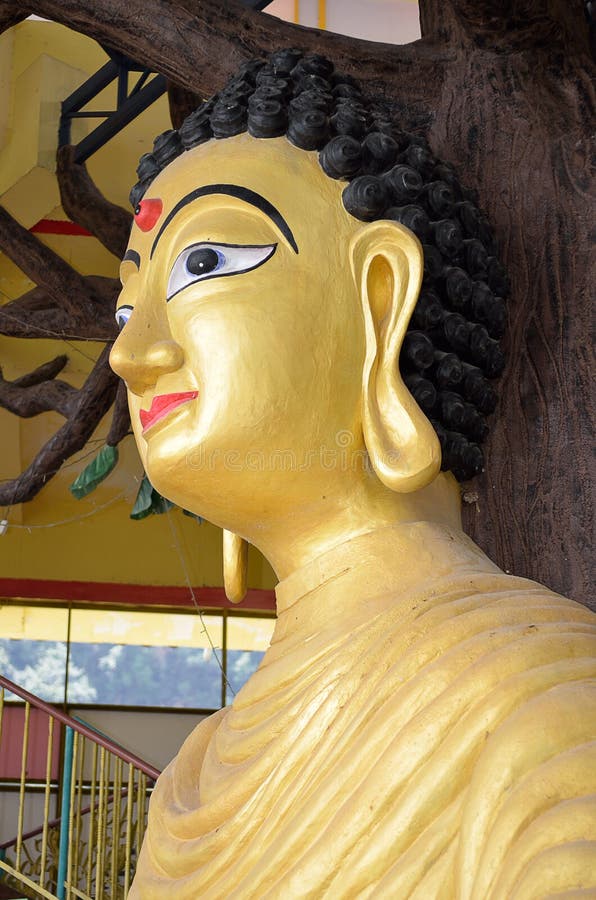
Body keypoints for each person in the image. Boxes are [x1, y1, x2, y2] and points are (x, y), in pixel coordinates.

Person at [110, 50, 596, 899]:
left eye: (203, 264)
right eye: (127, 303)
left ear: (381, 298)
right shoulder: (192, 777)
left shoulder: (545, 704)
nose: (130, 350)